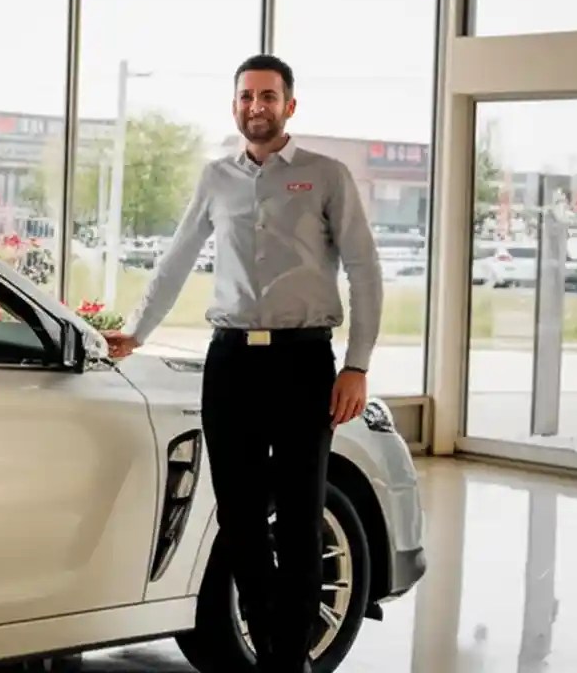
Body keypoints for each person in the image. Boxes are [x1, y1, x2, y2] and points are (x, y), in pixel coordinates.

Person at [103, 53, 382, 673]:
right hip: (230, 362)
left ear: (290, 105)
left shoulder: (326, 175)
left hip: (304, 361)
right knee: (239, 516)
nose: (256, 106)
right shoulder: (215, 178)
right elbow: (176, 258)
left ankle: (287, 659)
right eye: (246, 96)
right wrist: (138, 332)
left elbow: (365, 270)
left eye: (268, 96)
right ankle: (272, 651)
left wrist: (356, 366)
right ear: (235, 105)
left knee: (302, 511)